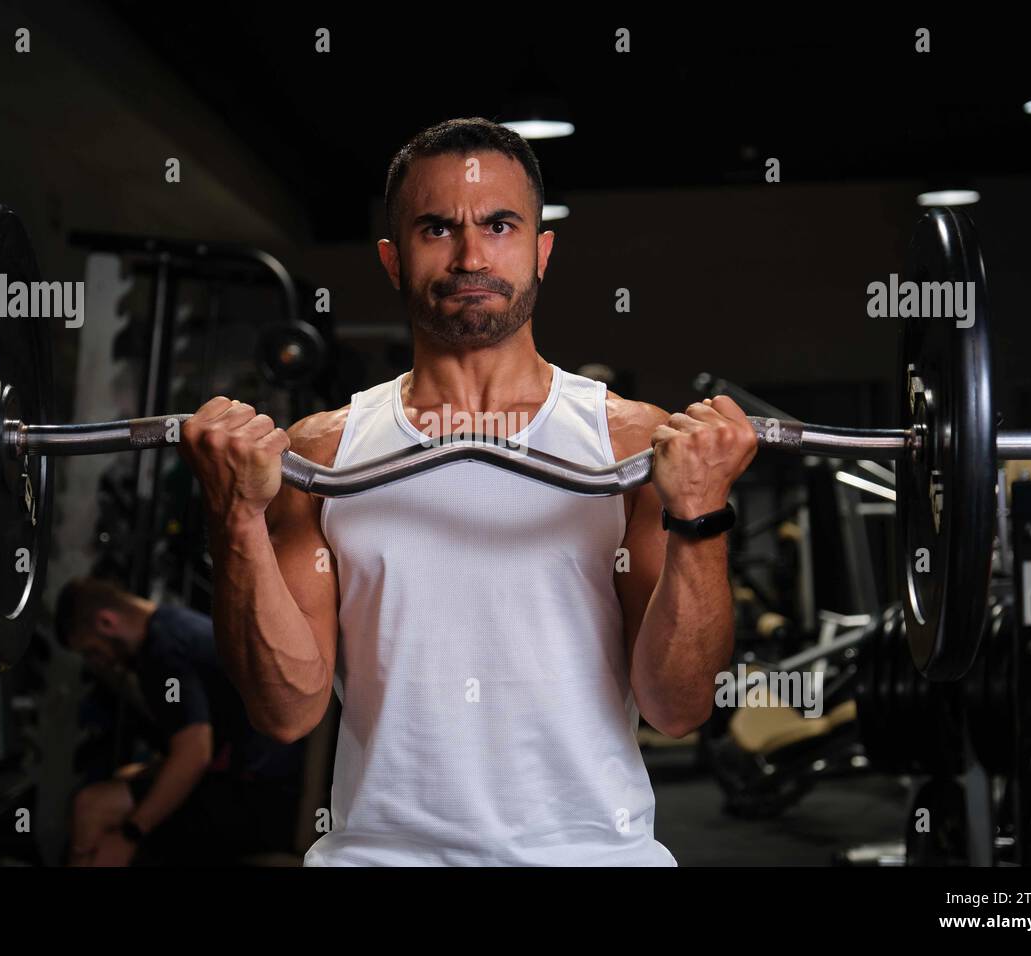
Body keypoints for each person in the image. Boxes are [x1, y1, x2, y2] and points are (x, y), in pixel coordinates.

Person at [179, 117, 757, 866]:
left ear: (541, 250)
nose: (472, 255)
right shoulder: (322, 456)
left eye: (500, 224)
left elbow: (679, 708)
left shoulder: (629, 447)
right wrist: (235, 519)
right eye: (437, 228)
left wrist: (701, 514)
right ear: (393, 259)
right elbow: (286, 710)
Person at [55, 577, 305, 865]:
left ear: (107, 623)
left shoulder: (162, 651)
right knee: (127, 778)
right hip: (270, 788)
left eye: (92, 650)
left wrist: (131, 834)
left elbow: (195, 755)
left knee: (91, 806)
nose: (99, 662)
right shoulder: (174, 623)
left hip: (261, 802)